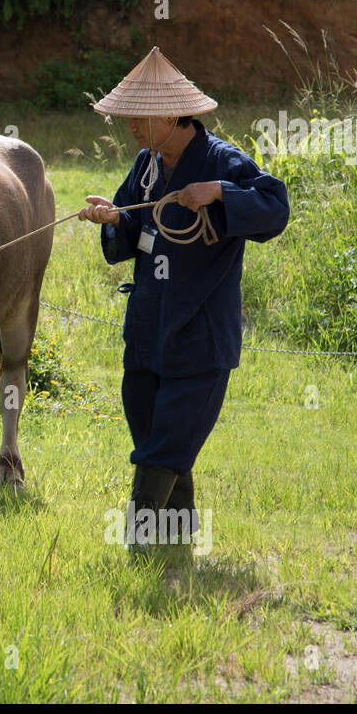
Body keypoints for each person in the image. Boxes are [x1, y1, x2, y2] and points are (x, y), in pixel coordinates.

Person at [78, 46, 290, 555]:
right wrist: (115, 219)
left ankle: (139, 544)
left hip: (200, 330)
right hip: (149, 324)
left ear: (172, 115)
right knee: (150, 423)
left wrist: (217, 191)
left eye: (137, 116)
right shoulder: (146, 165)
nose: (127, 124)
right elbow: (136, 225)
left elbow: (275, 209)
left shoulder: (221, 161)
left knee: (167, 440)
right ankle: (176, 538)